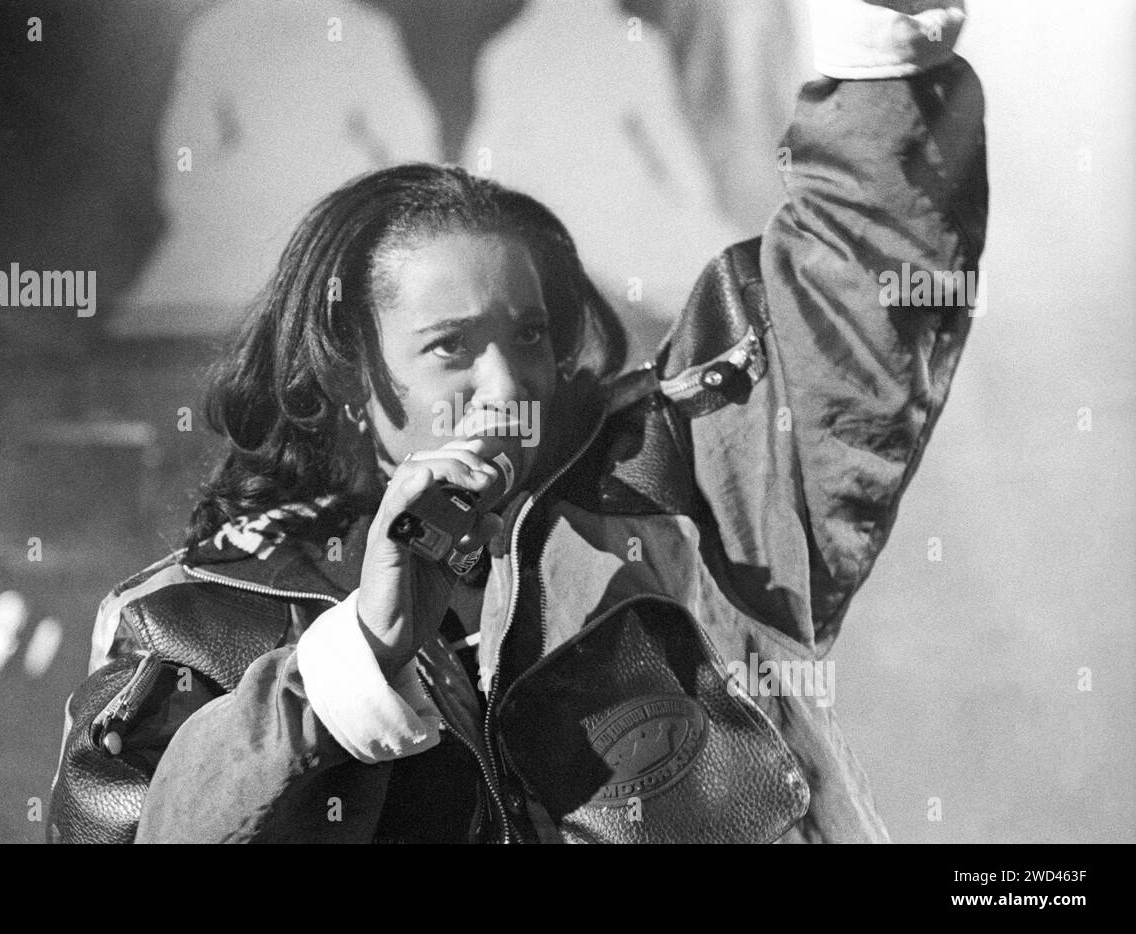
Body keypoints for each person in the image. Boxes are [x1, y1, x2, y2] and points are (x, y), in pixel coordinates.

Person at [48, 0, 987, 844]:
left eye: (530, 335)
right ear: (344, 370)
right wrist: (355, 663)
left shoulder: (671, 492)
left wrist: (882, 39)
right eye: (451, 346)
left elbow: (848, 307)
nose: (507, 383)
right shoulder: (189, 621)